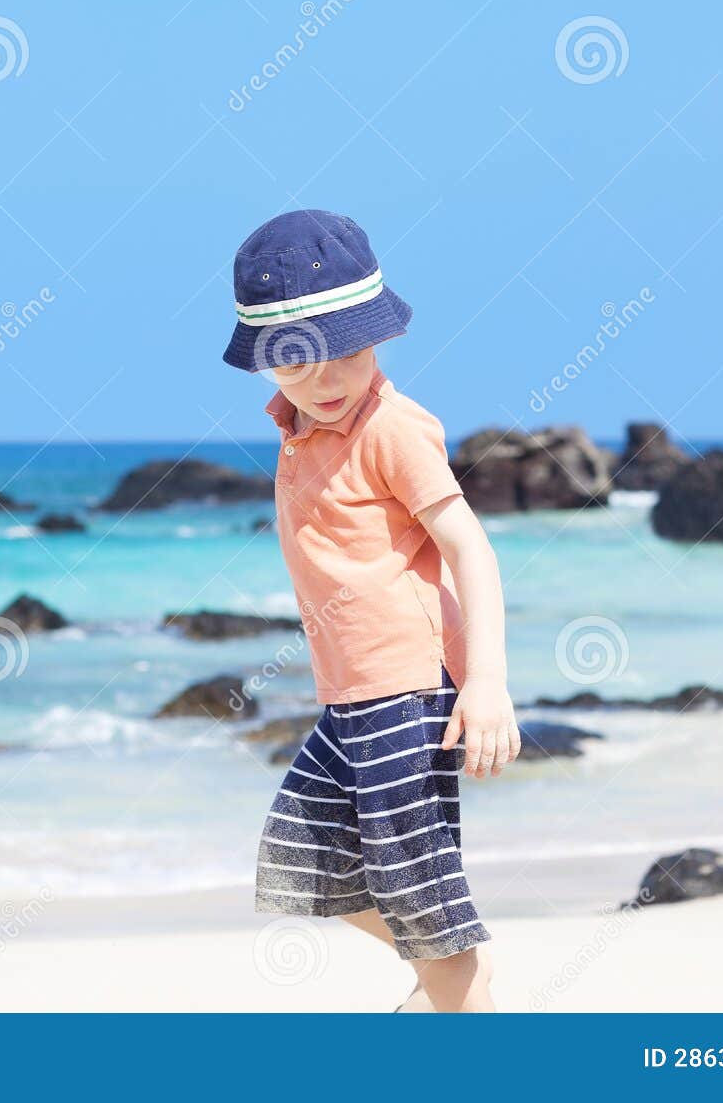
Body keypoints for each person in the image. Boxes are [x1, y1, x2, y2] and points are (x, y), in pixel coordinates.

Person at [222, 209, 521, 1013]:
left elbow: (470, 549)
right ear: (267, 364)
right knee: (298, 858)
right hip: (347, 698)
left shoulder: (393, 428)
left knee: (423, 910)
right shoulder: (297, 431)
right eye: (302, 361)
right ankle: (457, 965)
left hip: (408, 693)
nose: (329, 378)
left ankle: (458, 983)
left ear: (379, 336)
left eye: (349, 349)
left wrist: (485, 680)